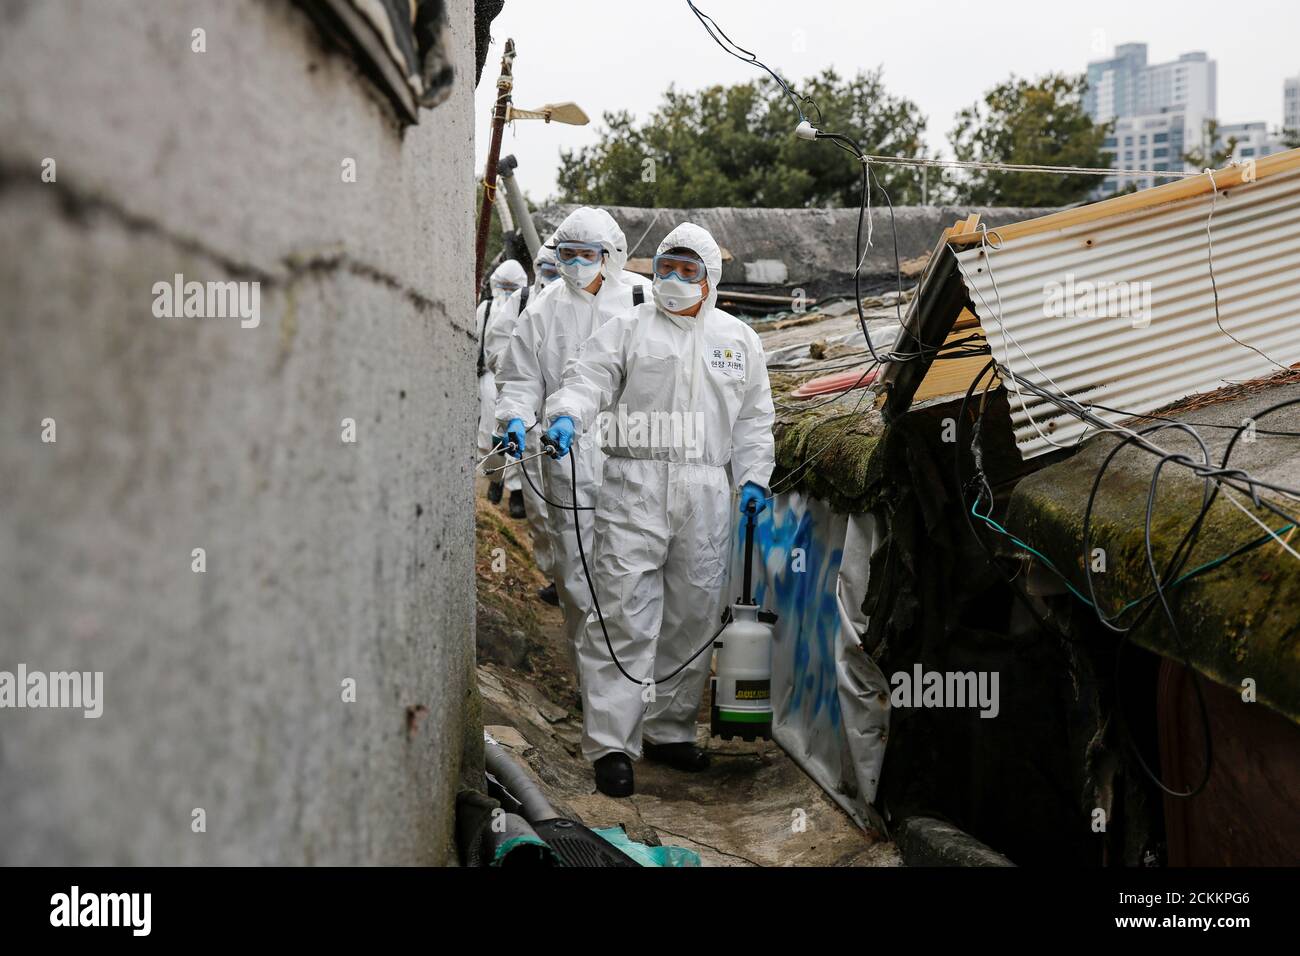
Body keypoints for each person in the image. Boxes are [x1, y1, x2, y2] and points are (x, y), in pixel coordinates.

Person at [542, 222, 775, 798]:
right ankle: (613, 746)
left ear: (710, 278)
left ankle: (669, 730)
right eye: (664, 268)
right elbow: (588, 378)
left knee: (692, 614)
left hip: (706, 491)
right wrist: (569, 413)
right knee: (623, 614)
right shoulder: (628, 329)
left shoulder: (738, 340)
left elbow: (754, 419)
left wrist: (752, 479)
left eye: (686, 271)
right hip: (633, 485)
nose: (672, 280)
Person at [495, 207, 651, 671]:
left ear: (610, 255)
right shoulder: (543, 308)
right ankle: (594, 680)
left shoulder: (641, 301)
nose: (578, 264)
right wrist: (515, 418)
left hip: (631, 453)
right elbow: (521, 379)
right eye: (569, 254)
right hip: (565, 454)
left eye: (588, 254)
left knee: (629, 569)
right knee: (576, 571)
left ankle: (637, 678)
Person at [485, 236, 562, 598]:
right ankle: (554, 577)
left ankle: (582, 578)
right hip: (531, 417)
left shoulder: (599, 304)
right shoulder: (524, 301)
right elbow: (497, 347)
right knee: (540, 506)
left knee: (581, 506)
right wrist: (522, 372)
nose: (557, 274)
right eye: (548, 268)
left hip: (580, 425)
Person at [476, 259, 528, 510]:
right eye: (503, 285)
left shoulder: (527, 307)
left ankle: (516, 488)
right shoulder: (485, 308)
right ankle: (494, 478)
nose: (507, 291)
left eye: (512, 286)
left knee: (518, 433)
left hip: (519, 381)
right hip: (488, 378)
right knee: (489, 433)